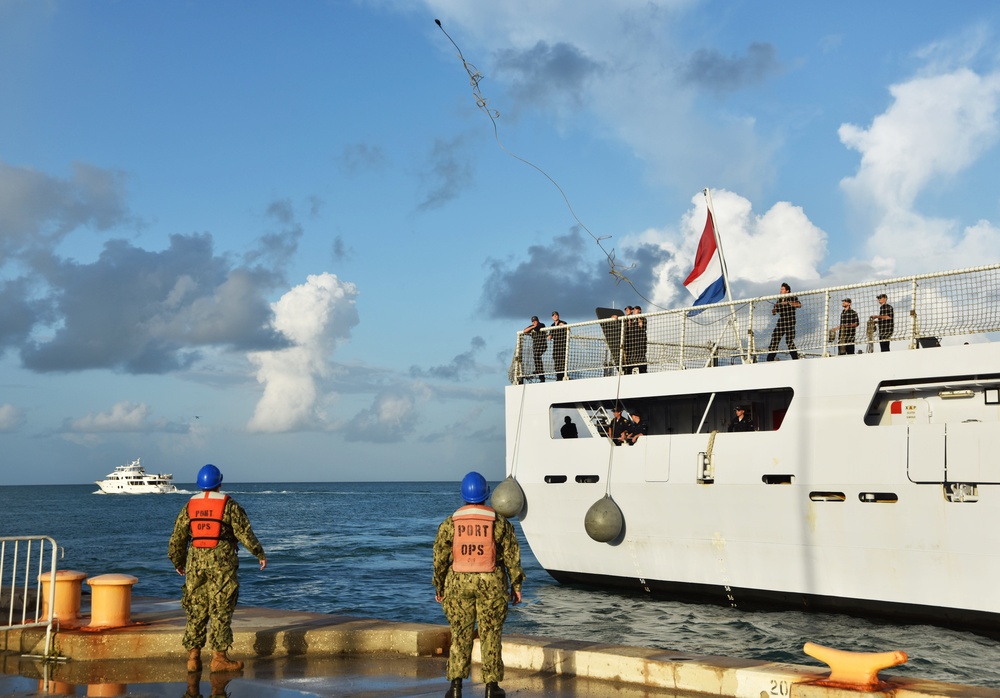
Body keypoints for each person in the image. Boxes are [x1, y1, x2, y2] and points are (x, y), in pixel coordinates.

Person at [168, 464, 267, 674]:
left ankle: (193, 659)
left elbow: (177, 538)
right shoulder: (229, 505)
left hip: (195, 560)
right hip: (221, 560)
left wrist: (178, 561)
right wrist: (259, 553)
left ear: (199, 484)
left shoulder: (189, 505)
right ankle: (219, 659)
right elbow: (245, 534)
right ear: (219, 483)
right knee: (221, 607)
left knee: (195, 607)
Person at [433, 472, 525, 698]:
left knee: (460, 634)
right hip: (492, 584)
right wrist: (516, 585)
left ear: (463, 495)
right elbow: (512, 556)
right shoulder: (499, 522)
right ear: (487, 494)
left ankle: (455, 687)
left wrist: (439, 587)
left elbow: (440, 558)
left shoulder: (450, 522)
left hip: (457, 584)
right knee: (491, 633)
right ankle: (491, 687)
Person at [766, 283, 801, 361]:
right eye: (781, 289)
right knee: (775, 338)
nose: (780, 291)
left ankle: (795, 359)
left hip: (790, 321)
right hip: (781, 321)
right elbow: (775, 313)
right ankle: (769, 359)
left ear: (787, 291)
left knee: (789, 340)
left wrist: (787, 303)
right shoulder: (779, 300)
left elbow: (798, 305)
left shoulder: (792, 297)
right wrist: (775, 309)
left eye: (782, 289)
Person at [522, 316, 547, 382]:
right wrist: (532, 327)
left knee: (537, 356)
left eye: (535, 321)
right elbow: (524, 331)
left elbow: (536, 329)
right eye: (533, 321)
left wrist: (532, 328)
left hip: (542, 345)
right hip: (535, 346)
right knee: (536, 357)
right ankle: (541, 375)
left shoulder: (542, 325)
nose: (534, 322)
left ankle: (539, 371)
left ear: (538, 320)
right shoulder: (532, 326)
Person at [549, 311, 569, 381]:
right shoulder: (552, 325)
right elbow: (551, 334)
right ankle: (558, 376)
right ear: (552, 317)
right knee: (556, 359)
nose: (555, 316)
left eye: (556, 315)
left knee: (562, 360)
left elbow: (568, 329)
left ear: (558, 316)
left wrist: (563, 326)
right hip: (556, 346)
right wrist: (550, 336)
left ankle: (563, 375)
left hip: (562, 345)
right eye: (553, 315)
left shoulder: (563, 322)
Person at [633, 305, 648, 373]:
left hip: (641, 341)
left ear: (639, 310)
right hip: (634, 342)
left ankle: (643, 370)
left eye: (635, 309)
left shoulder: (643, 318)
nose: (634, 311)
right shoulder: (633, 319)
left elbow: (641, 325)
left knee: (641, 355)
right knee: (634, 355)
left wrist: (639, 317)